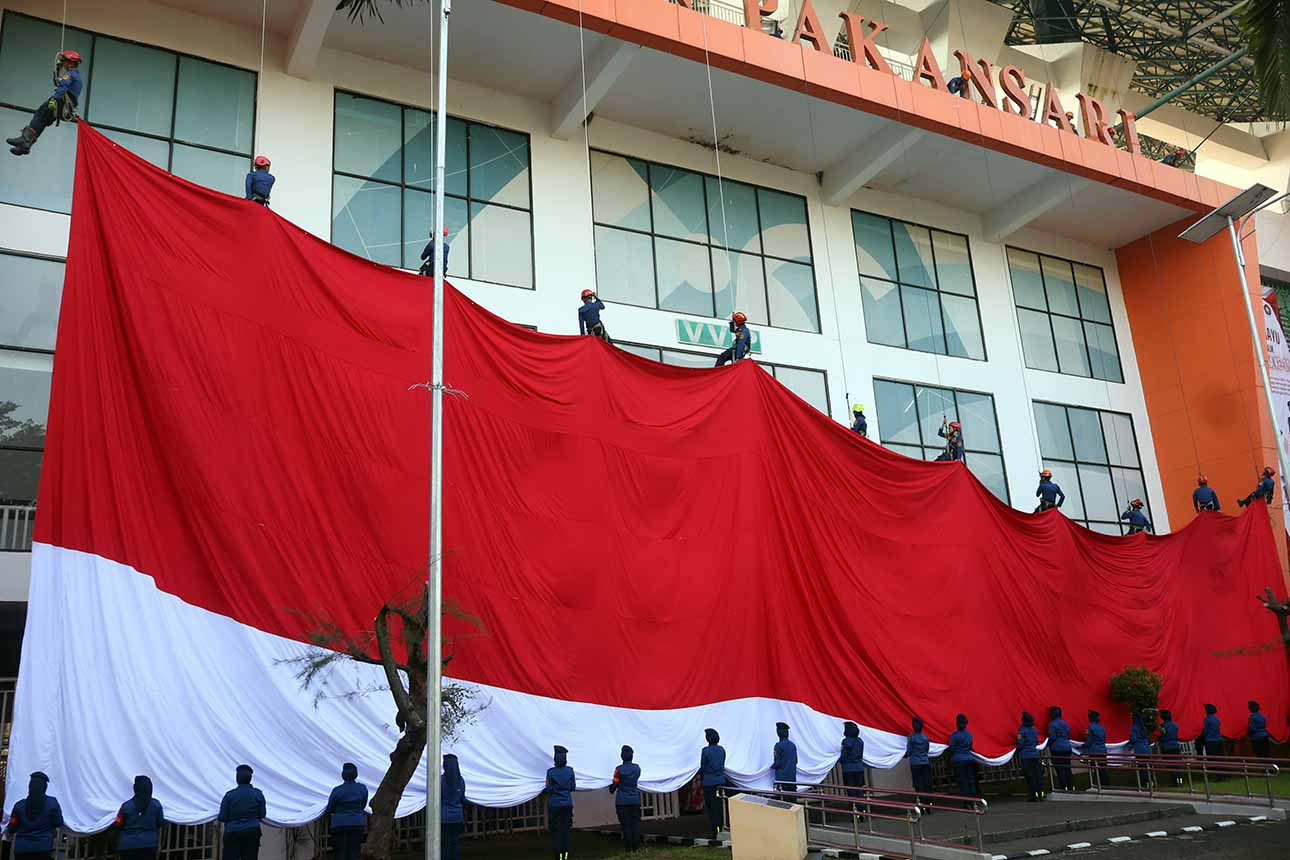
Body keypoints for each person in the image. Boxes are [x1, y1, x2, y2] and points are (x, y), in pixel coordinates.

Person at [7, 50, 82, 156]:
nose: (63, 62)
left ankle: (25, 138)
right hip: (66, 107)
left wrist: (54, 99)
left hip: (61, 101)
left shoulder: (70, 75)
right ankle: (25, 146)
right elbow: (59, 82)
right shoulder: (77, 77)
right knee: (43, 120)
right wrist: (58, 69)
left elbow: (63, 86)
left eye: (64, 60)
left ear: (71, 63)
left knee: (40, 114)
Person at [6, 772, 64, 859]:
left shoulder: (19, 805)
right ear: (44, 788)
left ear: (29, 787)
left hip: (22, 850)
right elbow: (59, 822)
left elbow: (12, 827)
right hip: (43, 849)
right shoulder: (52, 803)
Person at [218, 764, 267, 860]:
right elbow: (262, 814)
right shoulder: (258, 794)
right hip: (252, 832)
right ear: (250, 779)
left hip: (232, 833)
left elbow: (222, 817)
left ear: (237, 778)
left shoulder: (229, 795)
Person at [114, 775, 164, 860]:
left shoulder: (126, 806)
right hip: (148, 844)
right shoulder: (156, 805)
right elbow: (160, 823)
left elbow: (118, 823)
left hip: (127, 845)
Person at [326, 763, 368, 860]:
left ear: (343, 775)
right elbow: (363, 804)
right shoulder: (362, 788)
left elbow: (330, 808)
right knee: (354, 852)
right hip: (357, 823)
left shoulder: (337, 790)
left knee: (340, 853)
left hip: (339, 824)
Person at [609, 745, 642, 853]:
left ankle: (628, 849)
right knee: (635, 824)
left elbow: (614, 784)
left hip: (622, 801)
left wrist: (611, 788)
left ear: (621, 756)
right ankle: (636, 848)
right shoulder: (637, 768)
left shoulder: (618, 770)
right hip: (635, 800)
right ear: (632, 756)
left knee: (626, 825)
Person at [546, 745, 576, 860]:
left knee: (557, 832)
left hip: (554, 805)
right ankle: (566, 856)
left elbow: (548, 789)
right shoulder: (570, 771)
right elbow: (573, 787)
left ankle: (558, 857)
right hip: (567, 804)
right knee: (566, 831)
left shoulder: (550, 772)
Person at [699, 728, 727, 838]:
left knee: (711, 807)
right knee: (719, 807)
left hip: (709, 782)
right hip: (720, 781)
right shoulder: (722, 750)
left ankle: (714, 830)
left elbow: (703, 767)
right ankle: (720, 827)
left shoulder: (705, 751)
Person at [440, 755, 466, 860]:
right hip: (457, 817)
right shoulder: (461, 780)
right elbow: (462, 797)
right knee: (455, 844)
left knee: (445, 844)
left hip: (444, 818)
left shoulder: (440, 781)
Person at [905, 717, 932, 809]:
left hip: (915, 763)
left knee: (918, 783)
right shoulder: (925, 737)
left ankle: (921, 802)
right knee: (926, 783)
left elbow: (909, 751)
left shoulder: (911, 737)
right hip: (925, 762)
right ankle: (929, 802)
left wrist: (904, 755)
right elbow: (927, 749)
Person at [947, 714, 977, 797]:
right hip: (969, 759)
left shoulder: (954, 735)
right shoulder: (969, 735)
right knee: (970, 780)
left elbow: (951, 749)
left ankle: (966, 801)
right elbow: (970, 747)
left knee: (962, 781)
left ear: (957, 723)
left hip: (958, 761)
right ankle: (973, 798)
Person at [1017, 712, 1044, 801]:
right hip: (1035, 754)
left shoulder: (1021, 730)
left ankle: (1034, 795)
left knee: (1030, 776)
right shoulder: (1034, 729)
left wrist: (1017, 750)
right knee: (1037, 775)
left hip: (1026, 756)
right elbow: (1036, 741)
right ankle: (1041, 794)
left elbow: (1020, 743)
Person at [1048, 706, 1074, 792]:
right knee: (1067, 768)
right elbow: (1068, 736)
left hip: (1057, 749)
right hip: (1067, 748)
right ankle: (1071, 786)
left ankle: (1064, 787)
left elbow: (1052, 737)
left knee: (1060, 769)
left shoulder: (1052, 724)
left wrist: (1046, 744)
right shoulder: (1065, 723)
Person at [840, 721, 867, 796]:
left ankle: (854, 805)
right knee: (859, 788)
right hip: (859, 767)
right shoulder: (860, 741)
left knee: (851, 788)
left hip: (848, 768)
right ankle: (861, 806)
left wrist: (840, 760)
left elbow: (843, 756)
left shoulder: (846, 741)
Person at [1158, 709, 1183, 787]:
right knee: (1178, 765)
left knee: (1171, 766)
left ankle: (1175, 782)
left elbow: (1162, 736)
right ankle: (1180, 781)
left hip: (1167, 747)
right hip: (1175, 745)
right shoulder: (1175, 724)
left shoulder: (1163, 726)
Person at [1084, 711, 1109, 787]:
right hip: (1103, 751)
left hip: (1094, 752)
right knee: (1103, 770)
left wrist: (1082, 746)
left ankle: (1099, 786)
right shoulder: (1102, 728)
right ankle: (1106, 785)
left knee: (1096, 770)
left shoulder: (1090, 727)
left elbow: (1089, 741)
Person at [772, 722, 798, 794]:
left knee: (783, 801)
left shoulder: (778, 746)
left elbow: (777, 763)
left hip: (782, 779)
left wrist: (771, 767)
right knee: (793, 799)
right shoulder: (793, 745)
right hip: (792, 778)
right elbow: (796, 761)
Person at [1129, 711, 1152, 788]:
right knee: (1148, 767)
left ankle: (1144, 784)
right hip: (1147, 749)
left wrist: (1129, 745)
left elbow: (1134, 738)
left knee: (1142, 768)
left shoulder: (1134, 727)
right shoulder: (1143, 727)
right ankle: (1151, 783)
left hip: (1140, 749)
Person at [1202, 704, 1225, 779]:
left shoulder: (1207, 719)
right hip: (1219, 740)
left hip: (1210, 741)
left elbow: (1205, 731)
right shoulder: (1217, 719)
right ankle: (1222, 775)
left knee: (1213, 759)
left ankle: (1218, 776)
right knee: (1220, 758)